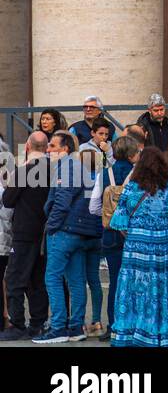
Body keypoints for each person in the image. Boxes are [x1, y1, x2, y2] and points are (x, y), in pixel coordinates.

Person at [100, 146, 168, 347]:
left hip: (137, 247)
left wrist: (135, 234)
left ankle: (134, 332)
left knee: (135, 288)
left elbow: (119, 220)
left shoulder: (132, 188)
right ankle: (164, 334)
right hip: (165, 247)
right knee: (164, 288)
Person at [33, 131, 101, 344]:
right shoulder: (77, 167)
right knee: (76, 280)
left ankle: (59, 327)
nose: (48, 150)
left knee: (52, 278)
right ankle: (75, 327)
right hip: (79, 233)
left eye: (52, 146)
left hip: (66, 231)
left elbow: (61, 202)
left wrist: (51, 227)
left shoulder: (67, 167)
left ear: (65, 149)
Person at [0, 131, 50, 341]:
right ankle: (38, 323)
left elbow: (8, 200)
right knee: (38, 279)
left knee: (15, 279)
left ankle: (18, 324)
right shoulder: (54, 170)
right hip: (45, 232)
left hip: (23, 232)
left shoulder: (24, 171)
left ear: (28, 147)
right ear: (47, 148)